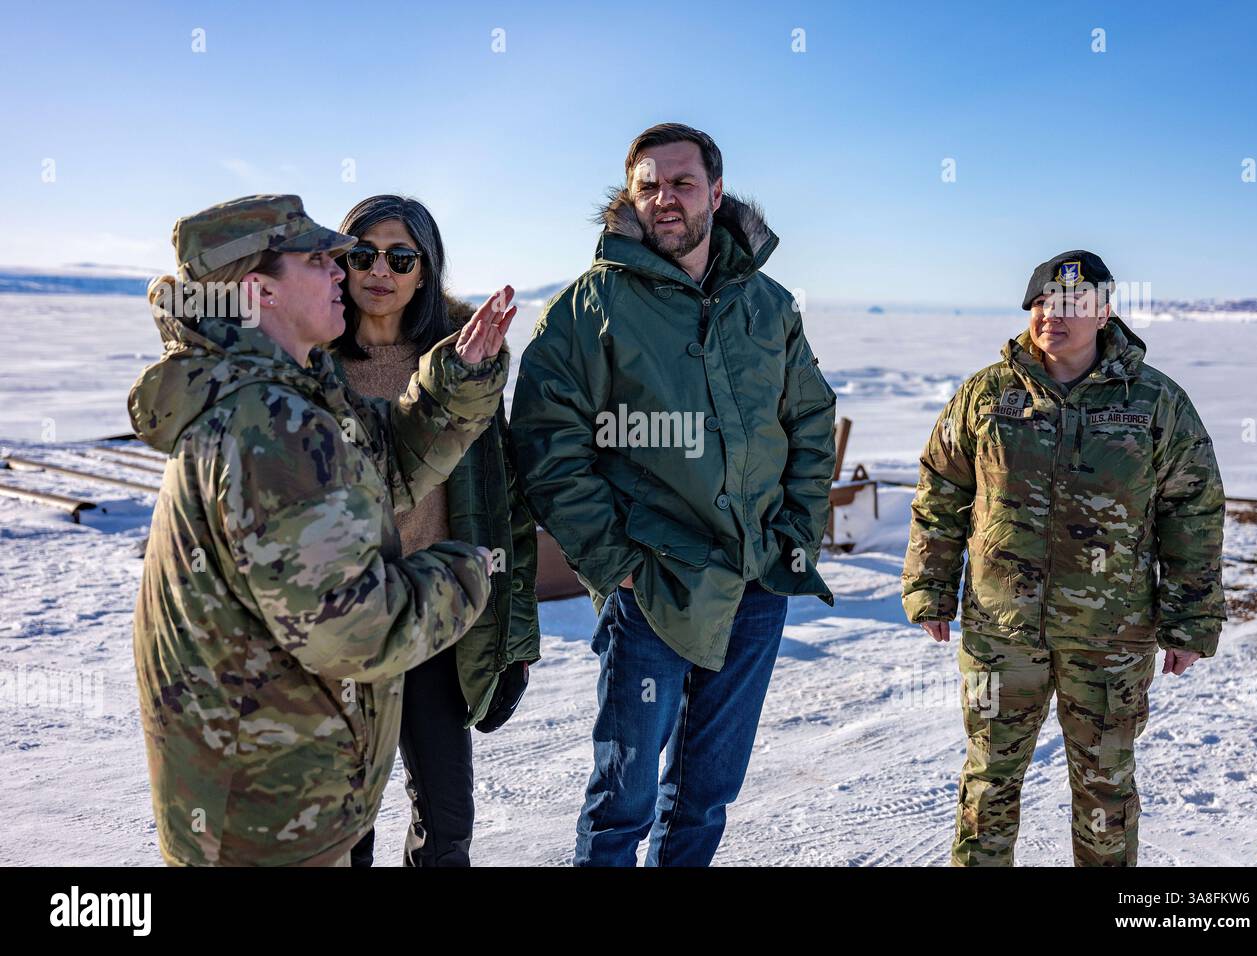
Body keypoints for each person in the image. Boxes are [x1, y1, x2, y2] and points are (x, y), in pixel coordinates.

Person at [128, 194, 512, 866]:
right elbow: (352, 630)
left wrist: (452, 386)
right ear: (259, 293)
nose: (345, 271)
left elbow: (380, 467)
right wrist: (465, 574)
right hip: (270, 814)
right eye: (320, 260)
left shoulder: (276, 393)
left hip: (272, 789)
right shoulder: (269, 424)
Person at [510, 123, 837, 866]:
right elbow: (546, 442)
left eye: (682, 184)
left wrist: (795, 530)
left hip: (756, 577)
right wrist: (611, 558)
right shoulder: (588, 308)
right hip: (653, 584)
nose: (665, 199)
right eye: (649, 185)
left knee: (707, 794)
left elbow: (810, 419)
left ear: (715, 195)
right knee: (622, 801)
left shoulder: (768, 304)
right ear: (630, 197)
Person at [901, 250, 1226, 866]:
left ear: (1105, 314)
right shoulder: (986, 395)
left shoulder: (1154, 402)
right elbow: (941, 490)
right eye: (1044, 303)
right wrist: (930, 585)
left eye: (1075, 304)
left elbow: (1194, 510)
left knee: (1104, 787)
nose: (1055, 315)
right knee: (988, 779)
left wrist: (1192, 620)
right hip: (1002, 630)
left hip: (1112, 635)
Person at [329, 195, 539, 868]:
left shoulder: (460, 368)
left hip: (436, 613)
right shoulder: (313, 366)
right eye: (362, 253)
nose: (379, 270)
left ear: (425, 270)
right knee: (341, 826)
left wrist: (515, 629)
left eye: (400, 256)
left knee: (447, 821)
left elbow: (502, 501)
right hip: (344, 623)